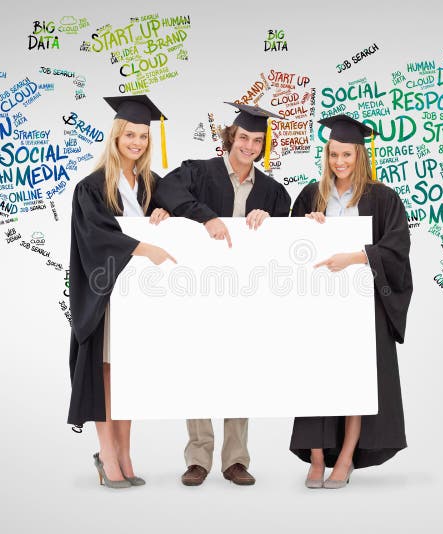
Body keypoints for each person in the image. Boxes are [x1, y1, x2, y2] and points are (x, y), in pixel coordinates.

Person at [155, 102, 292, 486]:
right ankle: (198, 458)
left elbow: (286, 239)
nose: (249, 146)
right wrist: (203, 216)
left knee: (239, 371)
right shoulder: (199, 172)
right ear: (231, 137)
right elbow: (166, 190)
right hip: (198, 293)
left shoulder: (272, 191)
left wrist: (270, 222)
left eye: (257, 141)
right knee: (197, 369)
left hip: (246, 297)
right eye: (244, 137)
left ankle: (235, 460)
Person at [289, 114, 413, 489]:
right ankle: (316, 457)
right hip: (319, 305)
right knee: (316, 378)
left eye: (346, 155)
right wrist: (306, 226)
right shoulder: (312, 195)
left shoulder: (383, 197)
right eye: (333, 155)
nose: (339, 162)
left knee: (356, 377)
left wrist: (356, 257)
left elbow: (397, 248)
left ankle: (345, 457)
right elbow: (291, 246)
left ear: (360, 155)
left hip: (363, 305)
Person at [67, 95, 176, 489]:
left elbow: (178, 216)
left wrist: (164, 213)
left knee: (129, 373)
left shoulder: (151, 184)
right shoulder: (92, 187)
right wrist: (143, 247)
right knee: (106, 372)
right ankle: (107, 453)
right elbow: (95, 236)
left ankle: (126, 452)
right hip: (107, 295)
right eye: (130, 134)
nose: (137, 142)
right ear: (116, 136)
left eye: (143, 136)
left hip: (141, 296)